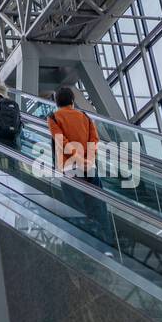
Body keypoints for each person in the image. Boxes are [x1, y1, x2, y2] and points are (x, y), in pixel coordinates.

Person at [48, 87, 114, 248]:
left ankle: (85, 246)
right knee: (98, 205)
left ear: (57, 102)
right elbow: (94, 139)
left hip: (69, 169)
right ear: (72, 101)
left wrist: (76, 157)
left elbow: (60, 141)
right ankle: (107, 242)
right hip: (89, 167)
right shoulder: (84, 116)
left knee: (76, 207)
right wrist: (88, 159)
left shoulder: (53, 118)